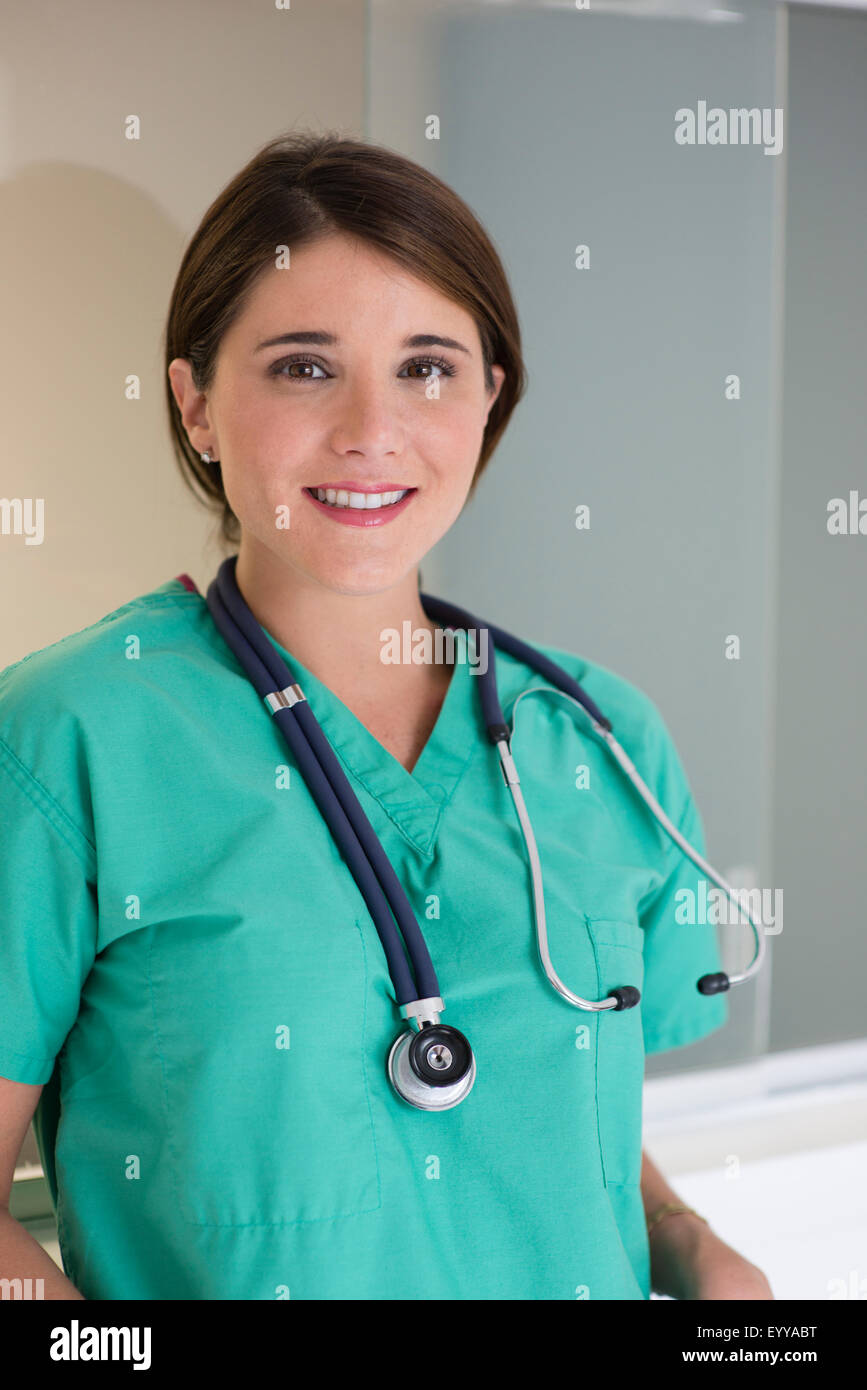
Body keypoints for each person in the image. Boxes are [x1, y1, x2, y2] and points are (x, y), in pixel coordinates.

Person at [0, 131, 773, 1301]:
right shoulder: (71, 739)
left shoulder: (600, 737)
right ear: (196, 401)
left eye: (427, 367)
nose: (373, 428)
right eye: (306, 366)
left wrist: (690, 1242)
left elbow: (552, 1119)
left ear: (487, 399)